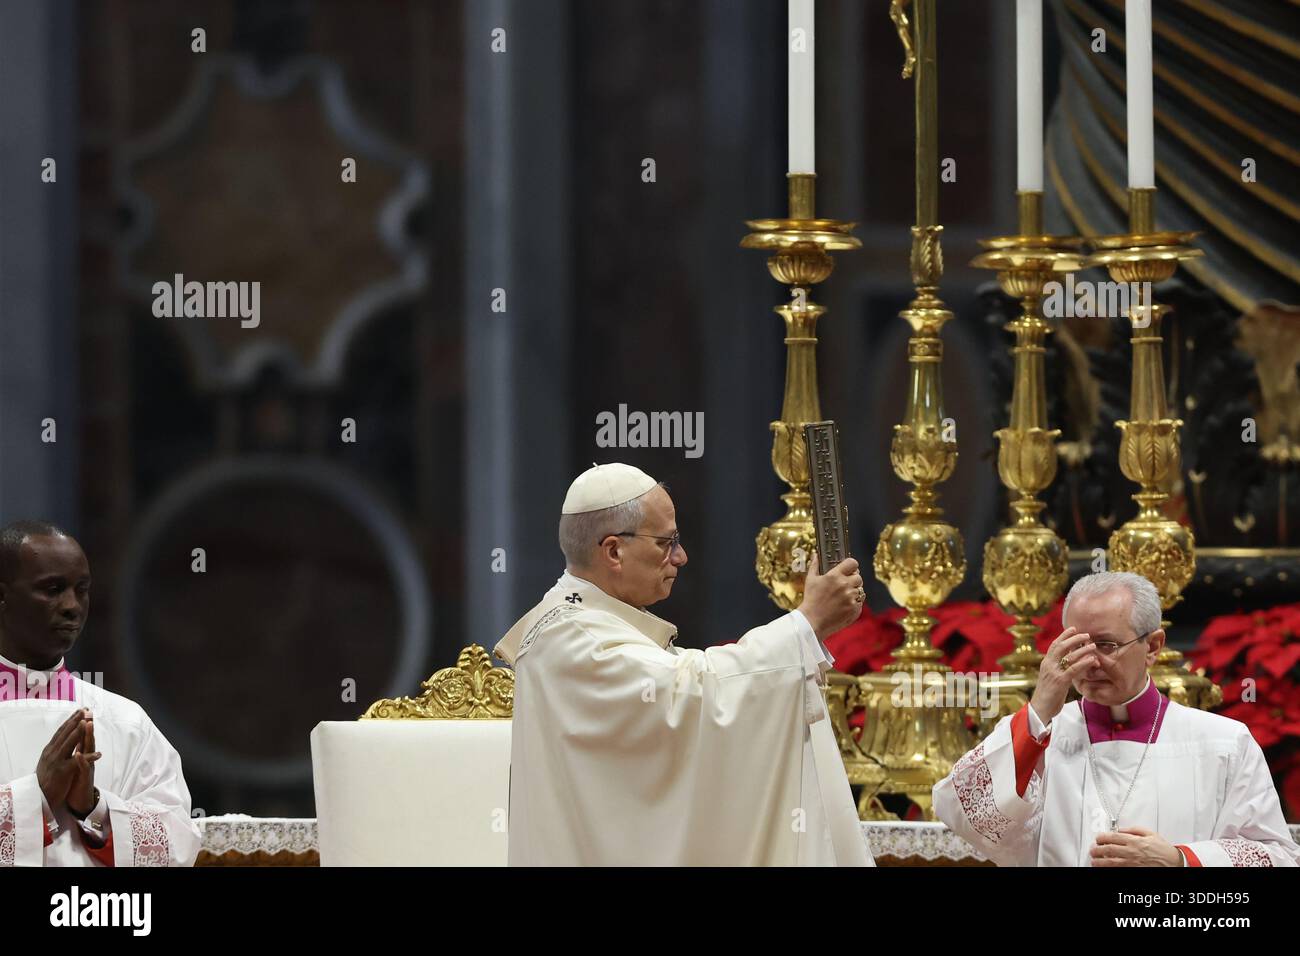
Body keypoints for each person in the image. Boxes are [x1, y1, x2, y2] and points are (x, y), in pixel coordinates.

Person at [495, 463, 873, 866]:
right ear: (614, 551)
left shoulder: (587, 622)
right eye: (666, 542)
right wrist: (806, 624)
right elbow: (692, 694)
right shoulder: (573, 640)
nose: (681, 556)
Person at [933, 570, 1300, 867]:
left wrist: (1180, 859)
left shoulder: (1224, 742)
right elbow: (965, 816)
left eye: (1106, 646)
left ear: (1153, 646)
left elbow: (1277, 856)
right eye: (1077, 646)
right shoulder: (1038, 738)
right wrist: (1041, 706)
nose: (1090, 662)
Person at [0, 520, 201, 866]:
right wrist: (36, 798)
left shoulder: (124, 721)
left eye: (82, 589)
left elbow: (178, 843)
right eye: (52, 589)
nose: (72, 606)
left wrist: (93, 808)